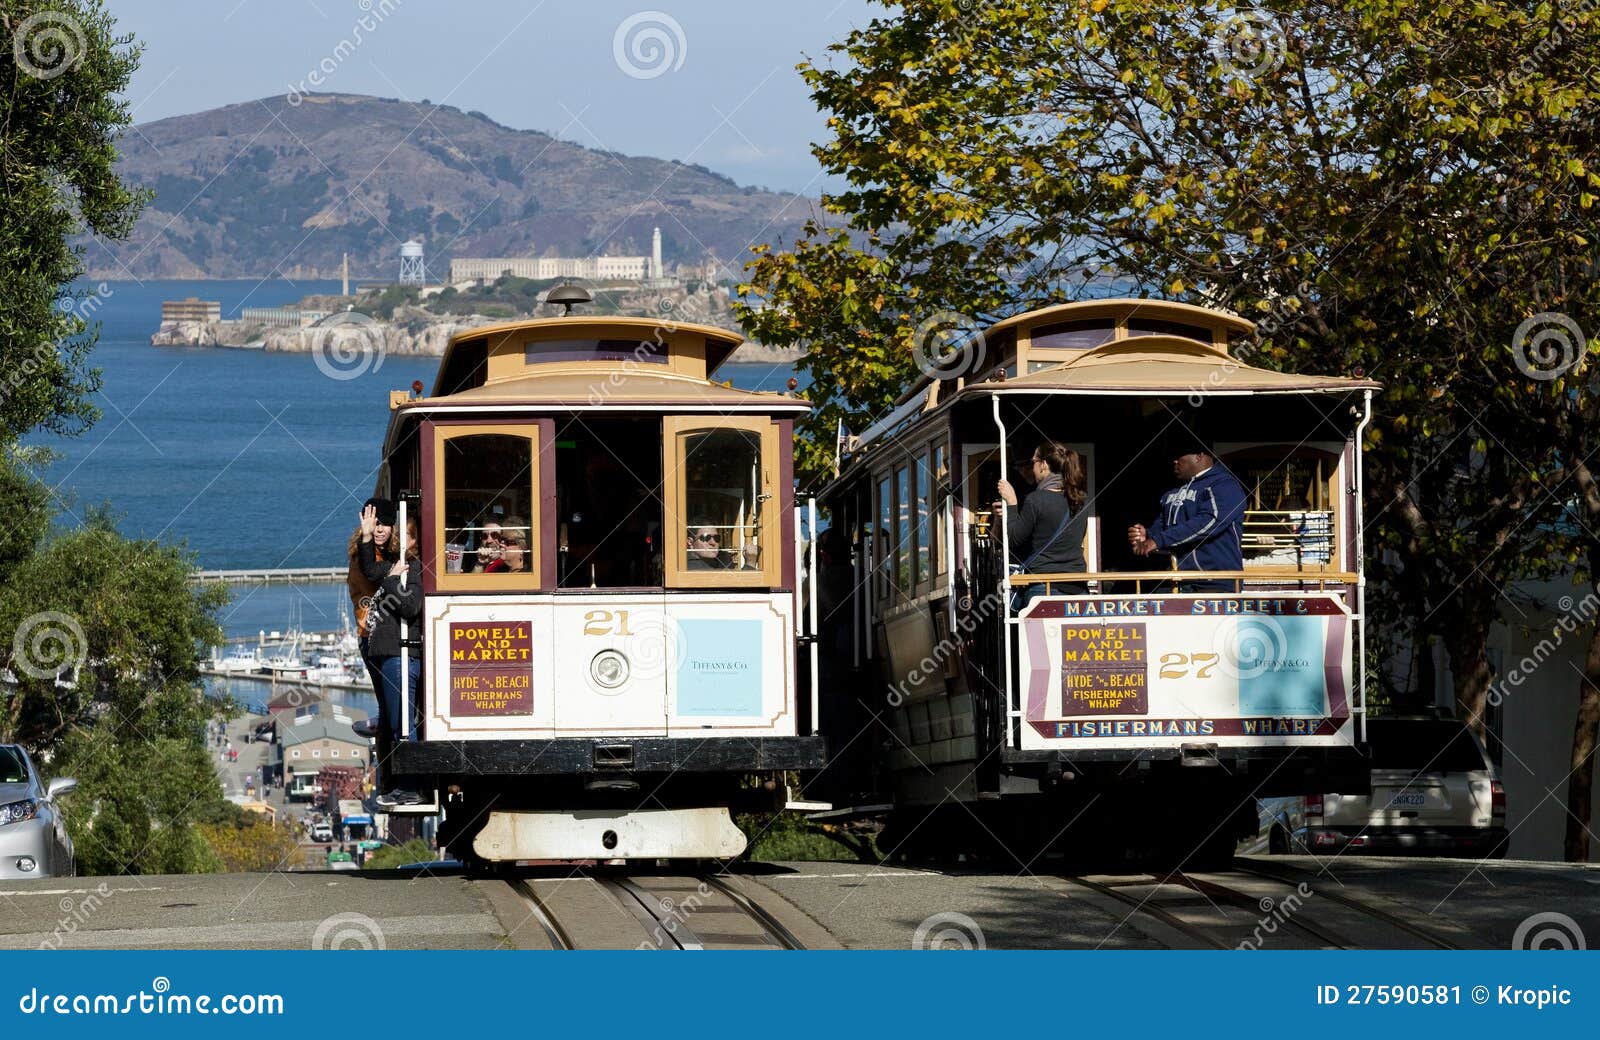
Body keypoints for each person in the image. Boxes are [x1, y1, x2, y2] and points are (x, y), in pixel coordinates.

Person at [361, 513, 425, 807]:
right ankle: (400, 783)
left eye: (403, 534)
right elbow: (370, 569)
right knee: (394, 721)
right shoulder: (395, 567)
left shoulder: (412, 568)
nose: (396, 538)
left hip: (399, 657)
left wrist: (390, 581)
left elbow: (411, 606)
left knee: (403, 724)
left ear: (413, 540)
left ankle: (410, 786)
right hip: (387, 656)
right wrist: (365, 536)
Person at [1128, 435, 1247, 592]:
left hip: (1214, 581)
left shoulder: (1224, 484)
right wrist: (1147, 535)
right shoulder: (1172, 491)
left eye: (1179, 456)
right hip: (1176, 580)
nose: (1174, 461)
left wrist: (1157, 540)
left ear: (1199, 456)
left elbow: (1209, 521)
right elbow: (1165, 524)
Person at [996, 441, 1088, 608]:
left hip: (1043, 587)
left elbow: (1013, 538)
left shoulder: (1035, 500)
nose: (1032, 468)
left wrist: (1011, 502)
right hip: (1077, 587)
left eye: (1034, 462)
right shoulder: (1081, 500)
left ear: (1043, 465)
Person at [351, 498, 396, 743]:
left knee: (388, 703)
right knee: (387, 704)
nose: (379, 529)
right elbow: (373, 573)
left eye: (385, 524)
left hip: (377, 634)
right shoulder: (363, 555)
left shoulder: (381, 552)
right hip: (370, 636)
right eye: (374, 523)